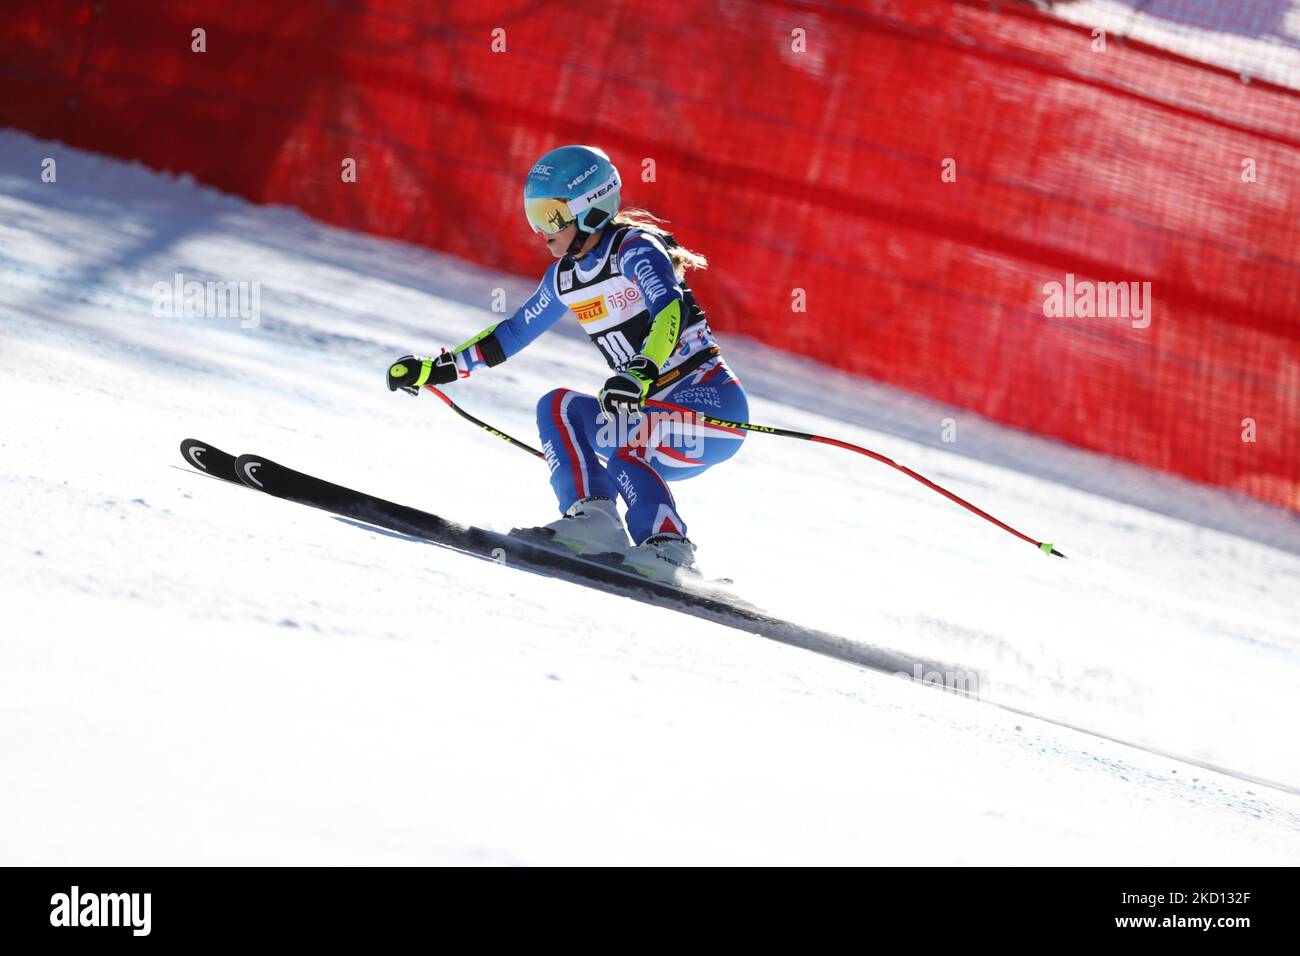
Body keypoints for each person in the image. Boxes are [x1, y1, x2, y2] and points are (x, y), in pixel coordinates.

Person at [387, 145, 748, 577]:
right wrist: (438, 369)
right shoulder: (566, 277)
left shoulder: (634, 249)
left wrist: (641, 371)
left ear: (592, 209)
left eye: (552, 216)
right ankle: (594, 520)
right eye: (535, 216)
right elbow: (513, 333)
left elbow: (667, 307)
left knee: (627, 444)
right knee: (558, 407)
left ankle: (669, 547)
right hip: (653, 410)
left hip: (712, 407)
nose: (542, 230)